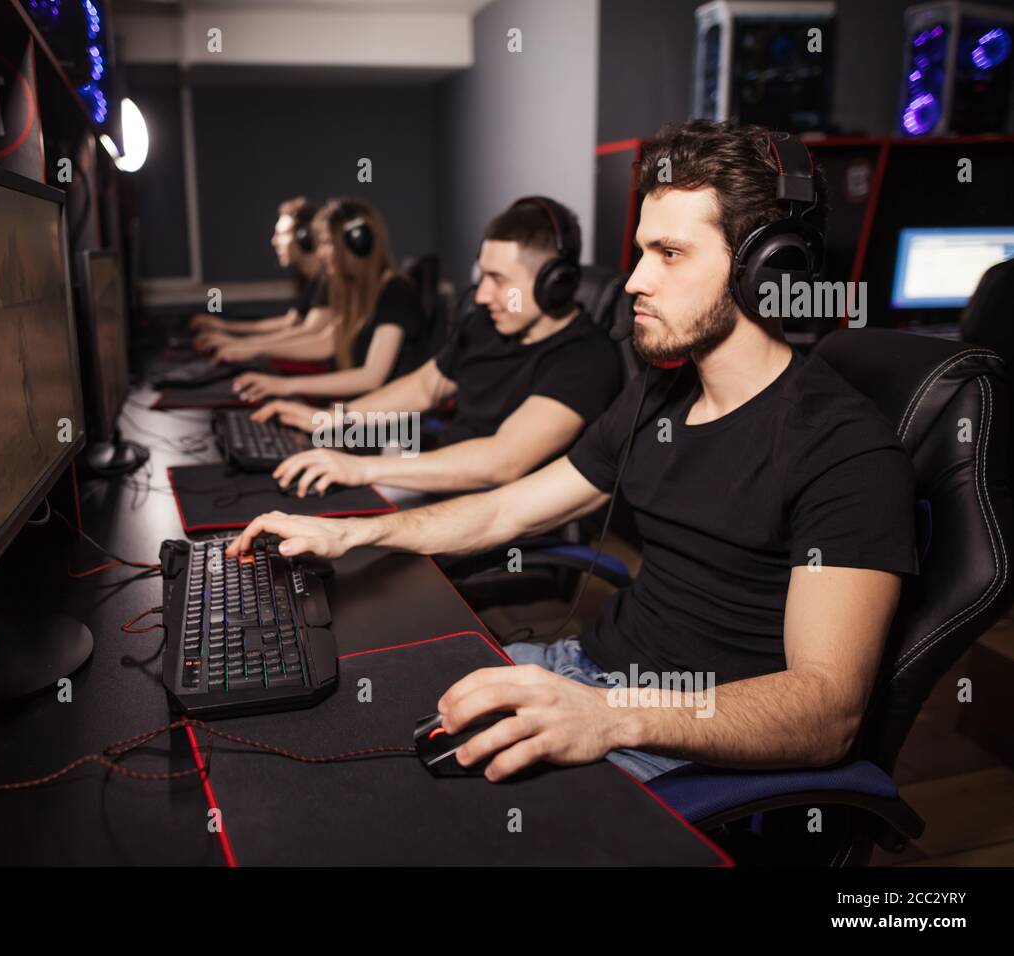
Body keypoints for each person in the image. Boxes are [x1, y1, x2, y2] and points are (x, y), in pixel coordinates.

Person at [226, 120, 919, 785]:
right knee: (328, 718)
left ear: (769, 269)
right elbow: (507, 511)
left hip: (678, 738)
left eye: (670, 254)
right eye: (642, 250)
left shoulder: (844, 449)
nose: (636, 281)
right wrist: (356, 532)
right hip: (581, 671)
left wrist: (610, 715)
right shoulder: (660, 394)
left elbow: (828, 711)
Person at [251, 197, 622, 496]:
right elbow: (424, 387)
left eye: (497, 278)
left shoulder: (586, 358)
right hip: (441, 467)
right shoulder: (485, 324)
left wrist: (363, 469)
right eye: (482, 275)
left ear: (553, 284)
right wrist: (330, 419)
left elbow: (501, 461)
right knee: (292, 483)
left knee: (340, 519)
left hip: (490, 510)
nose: (481, 294)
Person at [230, 196, 426, 402]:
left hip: (394, 426)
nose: (321, 254)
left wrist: (286, 386)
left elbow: (371, 377)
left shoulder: (395, 292)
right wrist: (253, 349)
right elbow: (327, 342)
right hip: (361, 411)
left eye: (327, 243)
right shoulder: (356, 289)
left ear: (357, 244)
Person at [191, 197, 332, 359]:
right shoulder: (313, 280)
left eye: (282, 234)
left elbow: (308, 331)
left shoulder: (327, 279)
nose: (274, 241)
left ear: (305, 237)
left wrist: (244, 345)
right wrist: (226, 327)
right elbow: (290, 322)